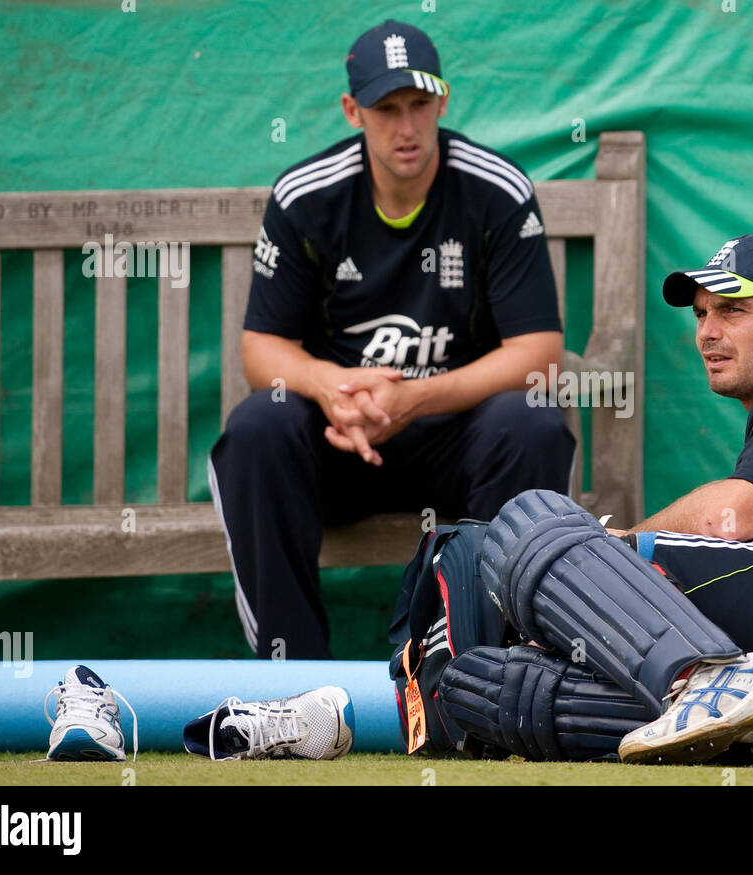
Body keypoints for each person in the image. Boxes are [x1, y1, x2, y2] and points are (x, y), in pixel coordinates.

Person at [436, 233, 753, 767]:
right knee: (489, 689)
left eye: (732, 311)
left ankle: (707, 680)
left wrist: (607, 551)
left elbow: (729, 519)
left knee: (533, 523)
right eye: (702, 315)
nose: (708, 332)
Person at [208, 20, 573, 661]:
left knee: (532, 419)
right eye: (386, 109)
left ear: (443, 102)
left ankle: (488, 669)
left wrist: (418, 399)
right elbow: (261, 349)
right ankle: (293, 681)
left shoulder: (497, 190)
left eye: (419, 105)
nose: (406, 127)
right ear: (354, 111)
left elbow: (538, 352)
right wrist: (335, 388)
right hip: (342, 442)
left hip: (458, 445)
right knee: (259, 425)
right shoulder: (305, 197)